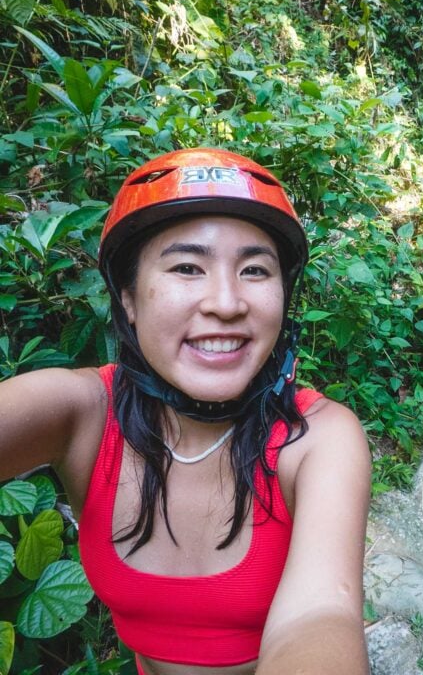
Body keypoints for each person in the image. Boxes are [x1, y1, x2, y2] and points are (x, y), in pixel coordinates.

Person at [0, 148, 372, 675]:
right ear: (128, 298)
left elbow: (322, 613)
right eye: (187, 266)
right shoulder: (80, 413)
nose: (226, 301)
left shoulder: (317, 438)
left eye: (255, 269)